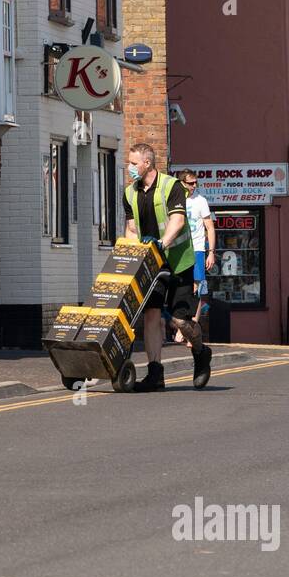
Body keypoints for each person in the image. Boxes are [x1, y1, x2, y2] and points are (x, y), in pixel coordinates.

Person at [123, 142, 212, 391]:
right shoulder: (130, 193)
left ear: (147, 163)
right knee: (151, 314)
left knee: (179, 320)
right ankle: (155, 374)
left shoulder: (171, 186)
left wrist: (163, 243)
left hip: (178, 261)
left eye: (133, 163)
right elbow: (131, 228)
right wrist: (132, 255)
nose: (129, 167)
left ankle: (201, 352)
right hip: (151, 265)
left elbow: (178, 219)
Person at [180, 169, 216, 331]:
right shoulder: (175, 199)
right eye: (190, 183)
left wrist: (211, 252)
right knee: (181, 288)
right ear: (181, 182)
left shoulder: (201, 201)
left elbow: (210, 227)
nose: (194, 186)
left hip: (197, 248)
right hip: (179, 249)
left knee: (196, 287)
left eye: (196, 183)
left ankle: (191, 327)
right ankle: (181, 324)